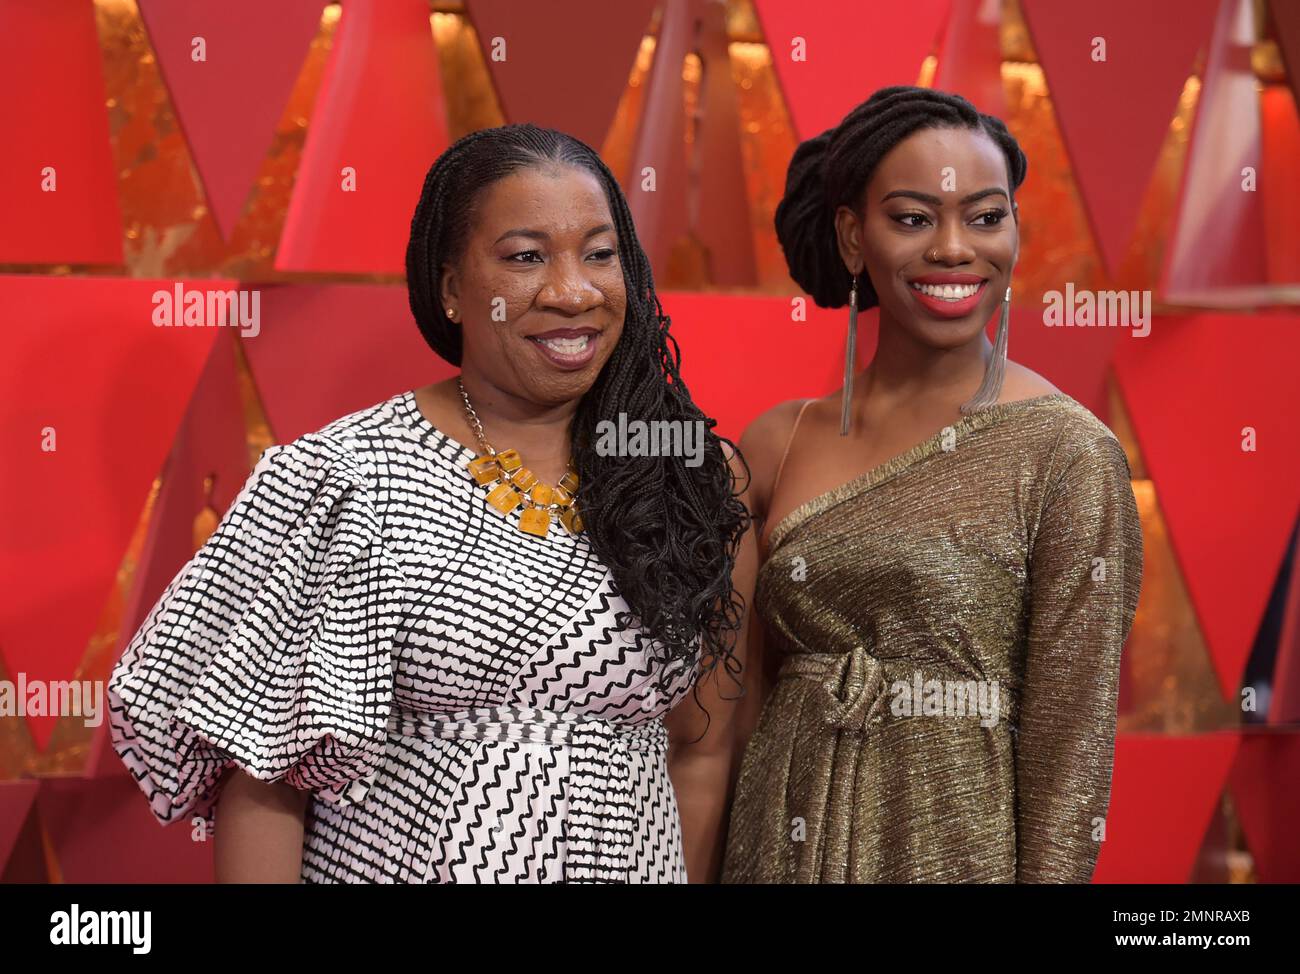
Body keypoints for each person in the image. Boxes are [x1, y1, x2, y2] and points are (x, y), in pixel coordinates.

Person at [107, 123, 752, 883]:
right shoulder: (340, 477)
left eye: (599, 253)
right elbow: (266, 778)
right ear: (451, 288)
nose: (572, 289)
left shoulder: (692, 477)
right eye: (525, 256)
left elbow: (703, 748)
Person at [721, 86, 1144, 883]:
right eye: (913, 218)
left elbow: (1069, 745)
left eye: (986, 217)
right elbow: (735, 718)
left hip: (952, 850)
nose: (955, 248)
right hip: (774, 840)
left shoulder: (1068, 453)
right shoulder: (778, 443)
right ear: (853, 237)